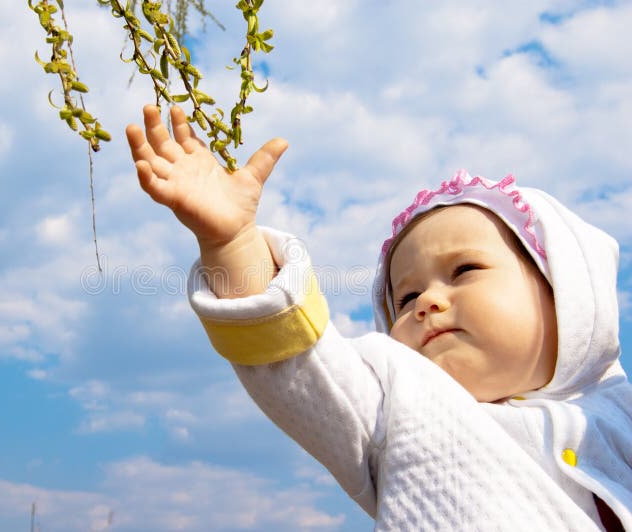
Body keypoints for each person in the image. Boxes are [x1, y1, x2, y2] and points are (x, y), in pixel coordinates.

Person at [126, 104, 632, 530]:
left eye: (464, 270)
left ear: (566, 293)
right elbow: (300, 361)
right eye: (406, 297)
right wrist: (232, 243)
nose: (427, 303)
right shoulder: (397, 401)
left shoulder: (618, 413)